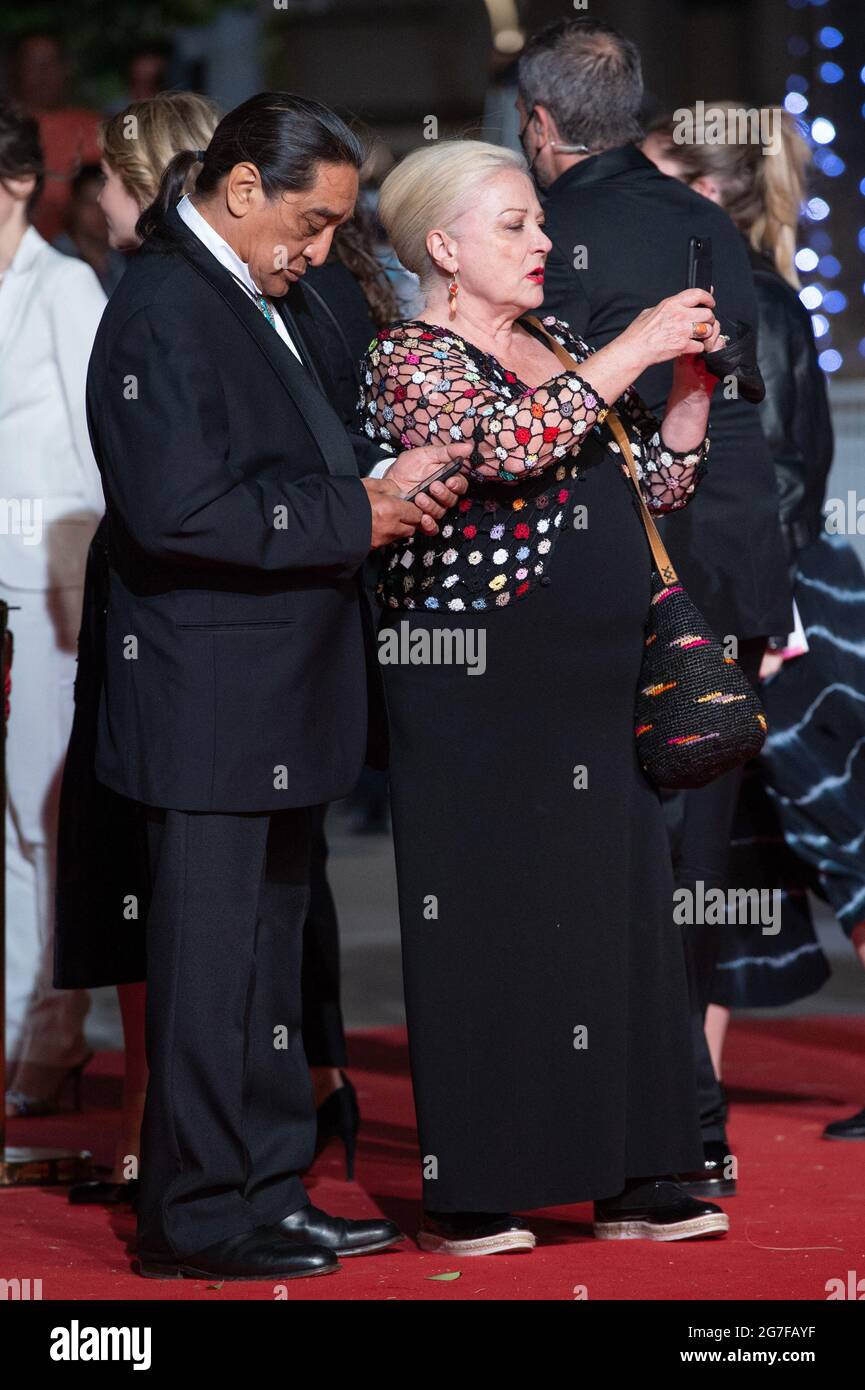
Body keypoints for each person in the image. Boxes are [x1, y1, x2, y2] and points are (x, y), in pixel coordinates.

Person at [86, 90, 471, 1281]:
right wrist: (355, 508)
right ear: (240, 189)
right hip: (206, 698)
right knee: (208, 976)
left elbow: (291, 461)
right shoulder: (163, 306)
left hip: (276, 690)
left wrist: (381, 477)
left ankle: (267, 1189)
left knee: (264, 965)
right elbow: (178, 510)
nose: (317, 253)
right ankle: (196, 1217)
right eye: (308, 225)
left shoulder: (273, 294)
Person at [360, 137, 731, 1254]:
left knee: (616, 925)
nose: (543, 241)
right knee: (489, 931)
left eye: (537, 222)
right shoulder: (408, 356)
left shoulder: (556, 341)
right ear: (443, 246)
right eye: (514, 224)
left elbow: (652, 482)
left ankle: (632, 1173)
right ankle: (474, 1183)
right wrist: (634, 344)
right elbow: (516, 444)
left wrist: (692, 387)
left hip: (594, 683)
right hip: (476, 689)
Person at [519, 16, 794, 1197]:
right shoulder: (698, 221)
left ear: (537, 124)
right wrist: (763, 598)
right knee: (688, 860)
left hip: (597, 576)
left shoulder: (535, 233)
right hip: (713, 576)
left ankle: (616, 1129)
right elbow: (736, 414)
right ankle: (689, 1127)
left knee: (589, 862)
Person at [644, 104, 865, 1144]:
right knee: (728, 848)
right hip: (764, 602)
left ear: (702, 188)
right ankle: (694, 1088)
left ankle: (691, 1086)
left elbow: (782, 471)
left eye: (648, 173)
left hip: (779, 613)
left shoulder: (756, 303)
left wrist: (747, 619)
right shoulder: (720, 295)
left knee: (841, 834)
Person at [52, 93, 222, 1208]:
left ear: (139, 177)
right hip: (151, 608)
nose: (96, 204)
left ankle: (156, 1131)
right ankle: (150, 1122)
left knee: (153, 878)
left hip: (163, 617)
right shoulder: (172, 293)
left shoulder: (153, 296)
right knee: (140, 878)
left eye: (106, 182)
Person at [0, 101, 105, 1112]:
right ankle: (14, 1022)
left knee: (42, 819)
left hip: (47, 595)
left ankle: (54, 1027)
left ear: (18, 182)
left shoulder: (66, 290)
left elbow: (99, 454)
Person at [10, 32, 102, 244]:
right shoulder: (6, 130)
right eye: (33, 64)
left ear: (66, 69)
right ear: (16, 70)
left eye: (50, 63)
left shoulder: (94, 128)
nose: (42, 73)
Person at [53, 164, 127, 295]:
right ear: (74, 206)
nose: (100, 212)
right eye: (90, 203)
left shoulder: (122, 261)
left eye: (105, 202)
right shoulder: (54, 258)